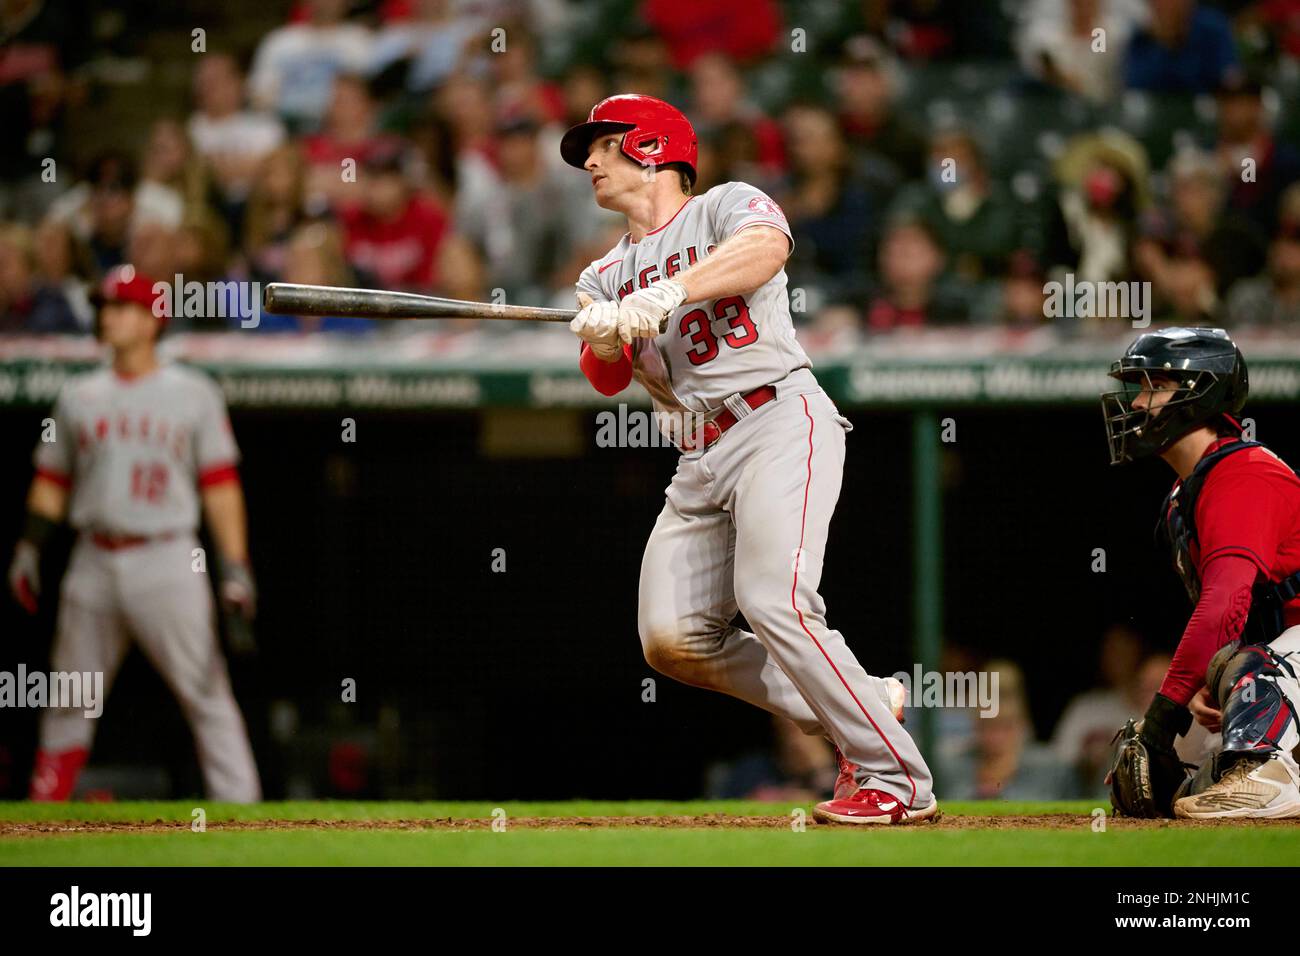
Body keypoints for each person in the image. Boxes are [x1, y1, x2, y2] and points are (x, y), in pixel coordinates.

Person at [560, 94, 933, 824]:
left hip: (775, 419)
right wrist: (605, 338)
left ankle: (897, 779)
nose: (591, 163)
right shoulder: (602, 273)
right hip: (697, 455)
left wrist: (665, 291)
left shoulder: (728, 204)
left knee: (775, 600)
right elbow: (605, 373)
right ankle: (861, 698)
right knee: (670, 639)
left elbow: (766, 251)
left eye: (603, 145)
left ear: (649, 146)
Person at [6, 265, 261, 802]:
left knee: (206, 691)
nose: (110, 317)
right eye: (106, 307)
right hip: (94, 556)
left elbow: (220, 487)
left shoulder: (193, 392)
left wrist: (235, 565)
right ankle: (45, 808)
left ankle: (244, 810)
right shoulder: (79, 395)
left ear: (152, 320)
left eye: (123, 308)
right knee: (70, 694)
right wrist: (29, 546)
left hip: (168, 555)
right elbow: (52, 481)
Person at [1102, 327, 1300, 819]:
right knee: (1165, 783)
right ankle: (1263, 767)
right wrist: (1202, 691)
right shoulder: (1182, 496)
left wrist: (1162, 714)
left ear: (1201, 392)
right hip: (1286, 662)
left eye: (1153, 386)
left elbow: (1223, 605)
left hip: (1286, 656)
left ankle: (1267, 775)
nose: (1137, 403)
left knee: (1246, 666)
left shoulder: (1246, 471)